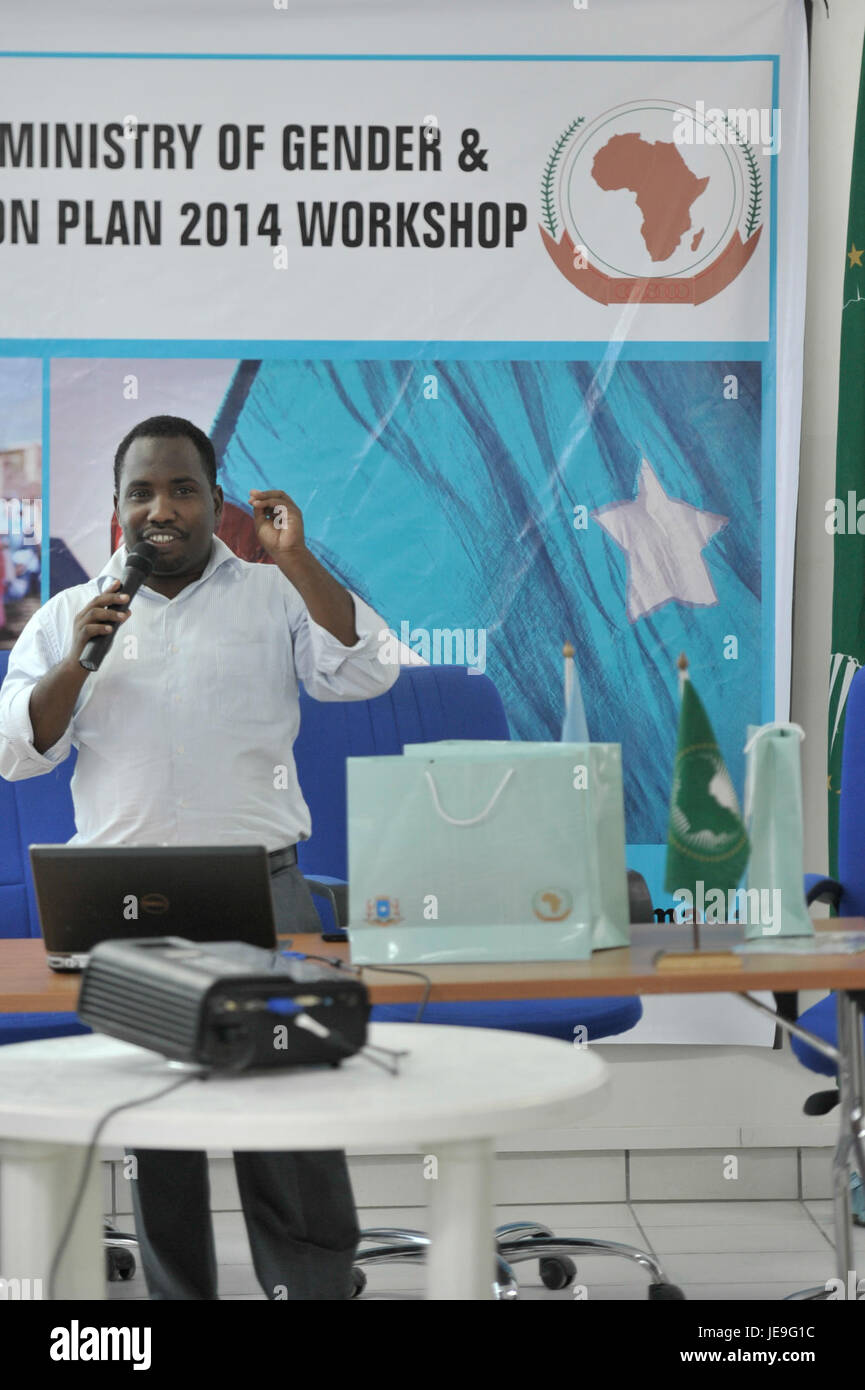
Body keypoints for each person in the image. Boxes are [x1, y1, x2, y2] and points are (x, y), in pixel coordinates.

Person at [0, 415, 400, 1299]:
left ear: (214, 501)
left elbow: (369, 670)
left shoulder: (269, 592)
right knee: (158, 1125)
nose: (161, 509)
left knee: (288, 1113)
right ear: (115, 509)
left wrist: (294, 558)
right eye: (140, 491)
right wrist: (78, 664)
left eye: (182, 488)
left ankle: (311, 1288)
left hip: (264, 893)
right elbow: (17, 748)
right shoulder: (71, 615)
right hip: (125, 909)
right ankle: (178, 1296)